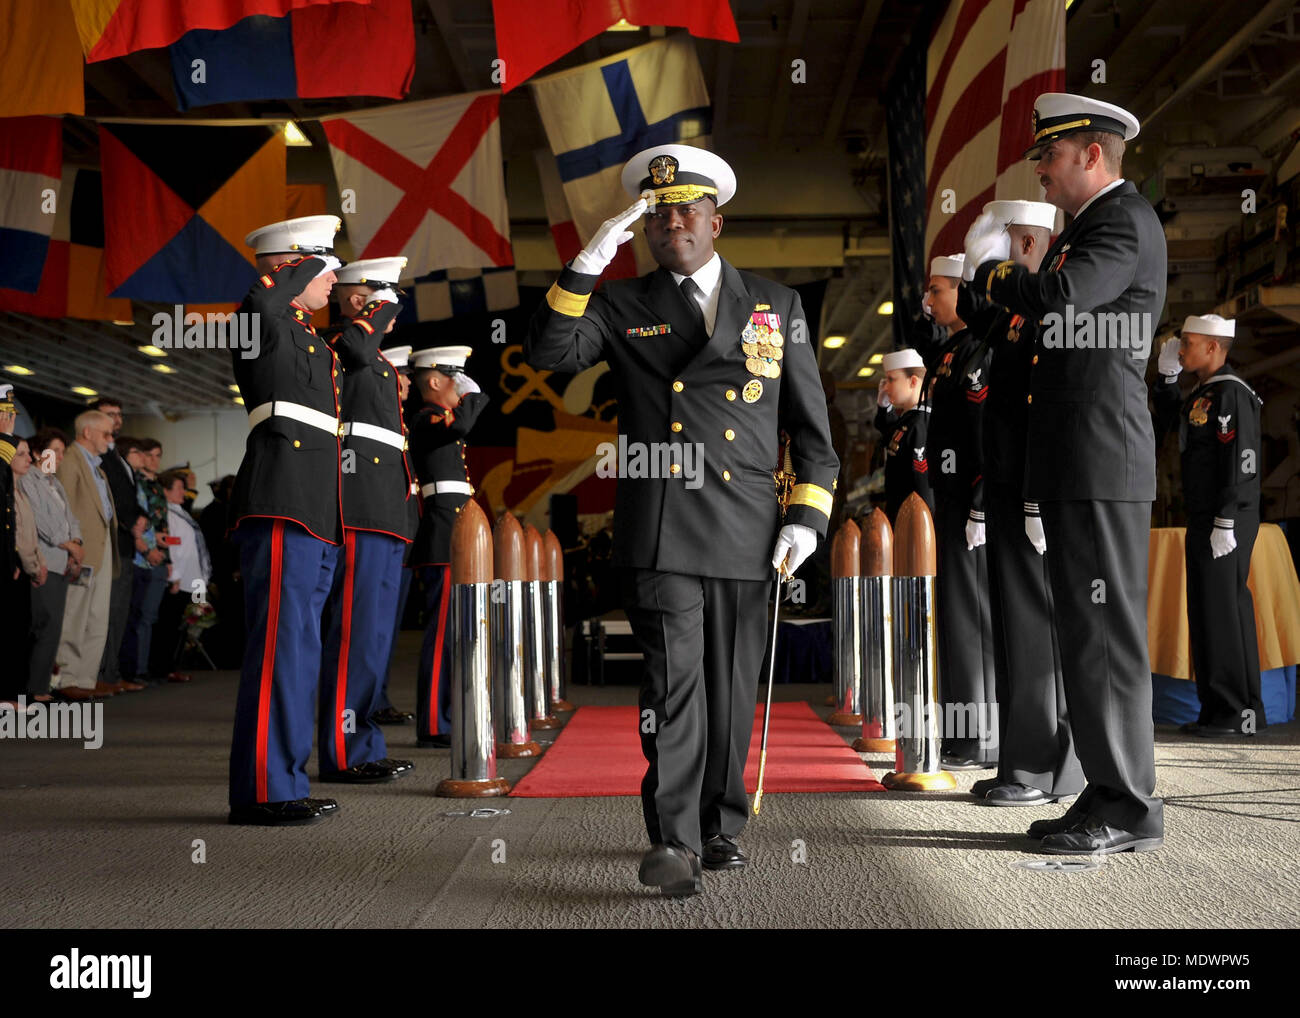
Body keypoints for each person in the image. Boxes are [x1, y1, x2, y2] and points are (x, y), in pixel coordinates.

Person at [525, 144, 838, 896]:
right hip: (662, 524)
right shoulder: (623, 303)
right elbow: (550, 351)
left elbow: (814, 435)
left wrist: (805, 521)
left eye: (686, 212)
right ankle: (673, 840)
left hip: (749, 529)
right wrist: (588, 259)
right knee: (674, 687)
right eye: (659, 216)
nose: (673, 225)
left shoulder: (777, 305)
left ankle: (721, 827)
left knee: (730, 692)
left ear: (715, 221)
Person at [967, 92, 1165, 855]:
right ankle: (1105, 793)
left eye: (1049, 156)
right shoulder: (1095, 226)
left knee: (1105, 636)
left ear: (1091, 155)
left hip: (1100, 456)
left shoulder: (1120, 220)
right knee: (1086, 635)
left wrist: (991, 281)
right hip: (1080, 458)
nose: (1041, 173)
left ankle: (1129, 808)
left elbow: (1060, 296)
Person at [959, 199, 1083, 806]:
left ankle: (1041, 768)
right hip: (1009, 482)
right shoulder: (1014, 314)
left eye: (1009, 240)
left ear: (1032, 243)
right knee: (1013, 628)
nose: (1003, 250)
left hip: (1032, 484)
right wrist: (971, 266)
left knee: (1036, 630)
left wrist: (1035, 494)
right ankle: (1019, 760)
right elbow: (971, 317)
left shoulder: (1048, 312)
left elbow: (1044, 408)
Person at [227, 214, 345, 826]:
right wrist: (293, 267)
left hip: (314, 508)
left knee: (299, 648)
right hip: (279, 500)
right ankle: (262, 790)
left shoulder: (307, 336)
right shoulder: (263, 321)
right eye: (324, 267)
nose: (334, 280)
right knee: (278, 646)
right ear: (292, 266)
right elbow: (257, 302)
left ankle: (286, 779)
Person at [316, 257, 416, 783]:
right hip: (357, 507)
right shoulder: (343, 345)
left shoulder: (373, 358)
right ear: (361, 301)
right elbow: (353, 346)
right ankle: (344, 749)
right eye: (385, 299)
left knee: (373, 637)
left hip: (383, 509)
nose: (394, 311)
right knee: (353, 634)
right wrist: (370, 312)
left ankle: (363, 744)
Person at [1152, 314, 1264, 738]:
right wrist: (1165, 378)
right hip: (1205, 516)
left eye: (1189, 343)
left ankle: (1236, 713)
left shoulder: (1232, 395)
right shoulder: (1204, 393)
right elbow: (1166, 423)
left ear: (1215, 347)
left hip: (1225, 517)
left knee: (1222, 611)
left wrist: (1227, 518)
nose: (1181, 349)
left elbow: (1244, 460)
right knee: (1208, 611)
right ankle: (1223, 709)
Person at [923, 253, 997, 771]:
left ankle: (979, 736)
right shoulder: (951, 352)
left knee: (972, 620)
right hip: (948, 503)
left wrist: (979, 504)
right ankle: (960, 730)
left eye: (938, 290)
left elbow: (985, 440)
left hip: (971, 503)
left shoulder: (979, 352)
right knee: (953, 620)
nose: (928, 301)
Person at [405, 345, 488, 748]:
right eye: (457, 379)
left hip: (453, 526)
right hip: (440, 530)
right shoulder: (426, 418)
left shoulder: (440, 419)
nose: (462, 388)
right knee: (441, 633)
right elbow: (459, 427)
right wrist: (474, 398)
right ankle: (434, 723)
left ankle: (448, 715)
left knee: (456, 631)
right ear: (435, 381)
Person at [52, 411, 120, 701]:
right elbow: (62, 505)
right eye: (105, 434)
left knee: (97, 617)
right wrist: (73, 544)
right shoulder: (70, 460)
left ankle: (86, 678)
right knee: (75, 615)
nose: (110, 439)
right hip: (83, 549)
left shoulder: (98, 467)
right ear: (87, 433)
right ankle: (66, 677)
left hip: (103, 547)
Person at [20, 430, 83, 702]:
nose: (59, 457)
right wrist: (70, 545)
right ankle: (35, 688)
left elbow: (71, 519)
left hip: (62, 562)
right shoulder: (28, 480)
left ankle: (41, 684)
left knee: (54, 626)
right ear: (36, 453)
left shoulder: (54, 483)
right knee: (43, 625)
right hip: (44, 559)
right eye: (54, 450)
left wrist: (77, 543)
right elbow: (41, 522)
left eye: (62, 452)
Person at [92, 396, 143, 693]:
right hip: (110, 544)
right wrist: (129, 521)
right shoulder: (97, 457)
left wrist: (140, 517)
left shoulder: (116, 455)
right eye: (109, 414)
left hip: (124, 545)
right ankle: (100, 675)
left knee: (119, 614)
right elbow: (110, 501)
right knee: (106, 614)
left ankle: (111, 673)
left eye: (119, 414)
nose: (116, 419)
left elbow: (128, 497)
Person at [118, 437, 170, 687]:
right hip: (139, 554)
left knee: (147, 616)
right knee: (135, 617)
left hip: (154, 554)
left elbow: (158, 522)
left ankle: (142, 667)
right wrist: (145, 547)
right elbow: (135, 519)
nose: (153, 460)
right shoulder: (134, 482)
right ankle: (133, 669)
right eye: (148, 454)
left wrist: (165, 555)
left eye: (157, 455)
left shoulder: (156, 486)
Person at [2, 434, 39, 704]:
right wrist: (31, 565)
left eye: (29, 453)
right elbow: (16, 538)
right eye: (22, 454)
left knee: (21, 633)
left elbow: (31, 534)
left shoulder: (20, 490)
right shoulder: (6, 493)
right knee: (10, 634)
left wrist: (40, 564)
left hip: (26, 568)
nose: (30, 459)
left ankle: (17, 691)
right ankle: (8, 693)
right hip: (14, 567)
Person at [875, 348, 932, 524]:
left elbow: (923, 486)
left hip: (914, 520)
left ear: (913, 381)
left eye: (891, 380)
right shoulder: (909, 420)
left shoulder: (920, 424)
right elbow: (890, 432)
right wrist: (883, 407)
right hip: (900, 514)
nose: (885, 386)